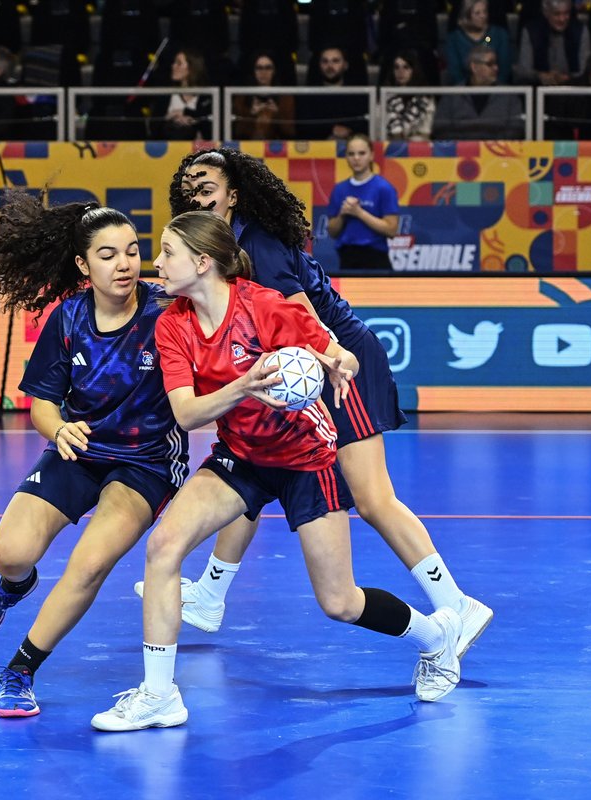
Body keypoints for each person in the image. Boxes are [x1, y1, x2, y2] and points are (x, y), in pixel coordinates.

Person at [92, 211, 464, 732]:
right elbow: (187, 412)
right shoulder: (173, 324)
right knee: (163, 547)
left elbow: (329, 347)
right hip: (240, 455)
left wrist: (340, 362)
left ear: (202, 262)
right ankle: (158, 694)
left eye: (167, 251)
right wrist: (244, 386)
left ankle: (435, 636)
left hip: (306, 458)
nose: (157, 262)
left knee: (339, 602)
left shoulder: (264, 305)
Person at [139, 147, 491, 660]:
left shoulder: (258, 245)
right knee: (251, 457)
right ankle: (212, 593)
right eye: (190, 187)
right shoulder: (216, 254)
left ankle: (456, 605)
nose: (198, 193)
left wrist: (324, 373)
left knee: (372, 499)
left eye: (208, 185)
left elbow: (306, 323)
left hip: (332, 363)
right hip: (299, 367)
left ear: (234, 195)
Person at [0, 192, 255, 718]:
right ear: (83, 265)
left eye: (133, 250)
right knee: (11, 552)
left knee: (89, 565)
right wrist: (59, 428)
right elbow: (42, 403)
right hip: (81, 448)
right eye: (108, 254)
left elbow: (230, 306)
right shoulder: (68, 318)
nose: (125, 263)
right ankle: (12, 587)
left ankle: (21, 669)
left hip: (145, 463)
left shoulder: (168, 309)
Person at [325, 134, 399, 272]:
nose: (356, 158)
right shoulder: (339, 189)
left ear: (371, 155)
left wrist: (359, 213)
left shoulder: (383, 188)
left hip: (375, 256)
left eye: (362, 153)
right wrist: (342, 214)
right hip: (347, 257)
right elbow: (332, 231)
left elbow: (391, 230)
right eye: (351, 154)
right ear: (346, 157)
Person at [433, 43, 526, 139]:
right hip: (459, 152)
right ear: (474, 67)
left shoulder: (509, 96)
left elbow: (517, 130)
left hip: (499, 152)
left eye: (496, 63)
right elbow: (441, 129)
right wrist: (467, 147)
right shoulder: (452, 96)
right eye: (490, 64)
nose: (496, 68)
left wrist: (490, 148)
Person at [515, 0, 591, 86]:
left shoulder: (580, 31)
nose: (562, 19)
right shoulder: (531, 31)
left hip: (573, 90)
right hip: (539, 90)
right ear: (546, 13)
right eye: (556, 14)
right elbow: (523, 71)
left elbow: (585, 71)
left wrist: (567, 78)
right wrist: (540, 76)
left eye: (566, 13)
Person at [443, 0, 514, 86]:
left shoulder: (498, 34)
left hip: (496, 90)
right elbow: (455, 71)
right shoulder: (454, 38)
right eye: (477, 13)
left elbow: (504, 68)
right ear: (467, 15)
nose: (483, 16)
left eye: (485, 12)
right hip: (463, 92)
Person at [230, 50, 295, 141]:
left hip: (277, 149)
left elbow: (290, 133)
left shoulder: (285, 97)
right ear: (253, 71)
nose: (263, 72)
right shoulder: (242, 96)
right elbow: (238, 133)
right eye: (259, 68)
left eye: (268, 68)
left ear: (274, 70)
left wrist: (277, 114)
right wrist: (251, 115)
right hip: (247, 148)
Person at [155, 47, 213, 140]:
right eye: (174, 62)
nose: (173, 66)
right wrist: (169, 119)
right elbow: (154, 129)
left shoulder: (207, 97)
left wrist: (189, 118)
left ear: (192, 67)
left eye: (179, 63)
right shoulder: (166, 96)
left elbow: (210, 129)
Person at [381, 49, 436, 142]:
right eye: (396, 67)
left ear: (414, 70)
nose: (400, 71)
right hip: (388, 147)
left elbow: (426, 132)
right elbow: (378, 130)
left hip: (417, 148)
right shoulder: (384, 96)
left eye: (406, 67)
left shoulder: (425, 98)